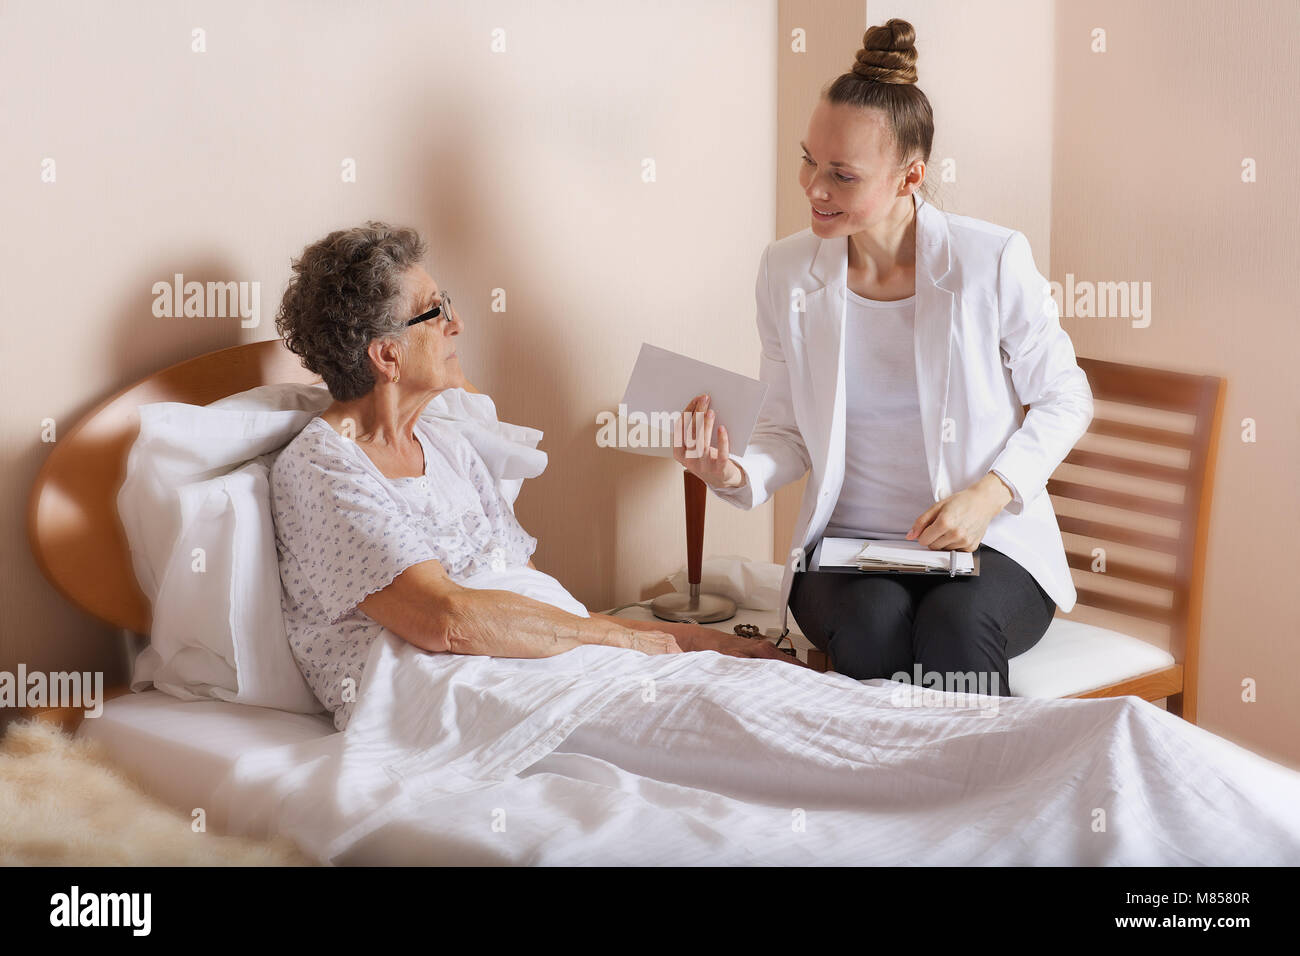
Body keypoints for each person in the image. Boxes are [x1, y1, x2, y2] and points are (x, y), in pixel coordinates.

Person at [673, 19, 1093, 697]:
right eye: (809, 159)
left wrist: (988, 497)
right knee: (874, 623)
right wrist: (729, 470)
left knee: (956, 627)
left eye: (842, 175)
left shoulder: (991, 261)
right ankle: (873, 795)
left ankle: (967, 798)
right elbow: (783, 430)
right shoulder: (786, 271)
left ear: (911, 177)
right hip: (849, 552)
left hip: (988, 548)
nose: (814, 188)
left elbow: (1065, 396)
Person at [270, 222, 794, 731]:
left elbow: (543, 608)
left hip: (544, 663)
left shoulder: (447, 443)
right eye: (435, 312)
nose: (456, 324)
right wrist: (633, 642)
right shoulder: (322, 467)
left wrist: (687, 640)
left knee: (764, 701)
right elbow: (447, 620)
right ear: (387, 355)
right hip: (452, 692)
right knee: (725, 733)